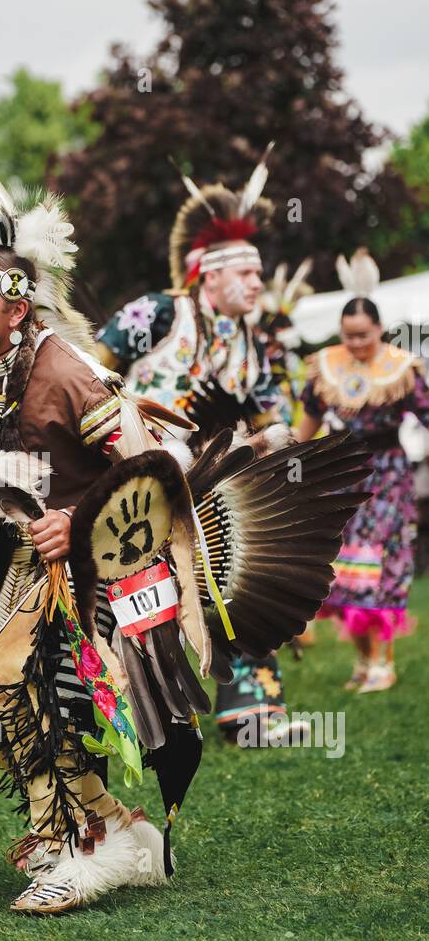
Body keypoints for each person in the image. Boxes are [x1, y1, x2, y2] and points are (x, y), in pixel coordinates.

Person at [0, 130, 366, 915]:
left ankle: (90, 844)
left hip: (103, 559)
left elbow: (150, 471)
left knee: (26, 682)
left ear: (16, 306)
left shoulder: (67, 374)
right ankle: (92, 831)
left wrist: (74, 520)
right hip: (15, 558)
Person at [96, 150, 297, 743]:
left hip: (215, 488)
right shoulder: (157, 313)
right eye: (247, 274)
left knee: (242, 580)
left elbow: (272, 417)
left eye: (259, 275)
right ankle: (129, 706)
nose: (258, 284)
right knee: (136, 594)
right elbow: (90, 370)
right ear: (210, 274)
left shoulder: (251, 343)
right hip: (140, 476)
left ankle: (249, 712)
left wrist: (276, 447)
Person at [296, 277, 429, 692]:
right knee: (348, 565)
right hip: (346, 472)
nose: (355, 344)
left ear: (379, 329)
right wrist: (287, 462)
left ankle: (383, 663)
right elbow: (310, 419)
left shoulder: (401, 368)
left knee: (379, 562)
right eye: (348, 336)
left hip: (389, 474)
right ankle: (362, 662)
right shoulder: (327, 365)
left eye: (363, 335)